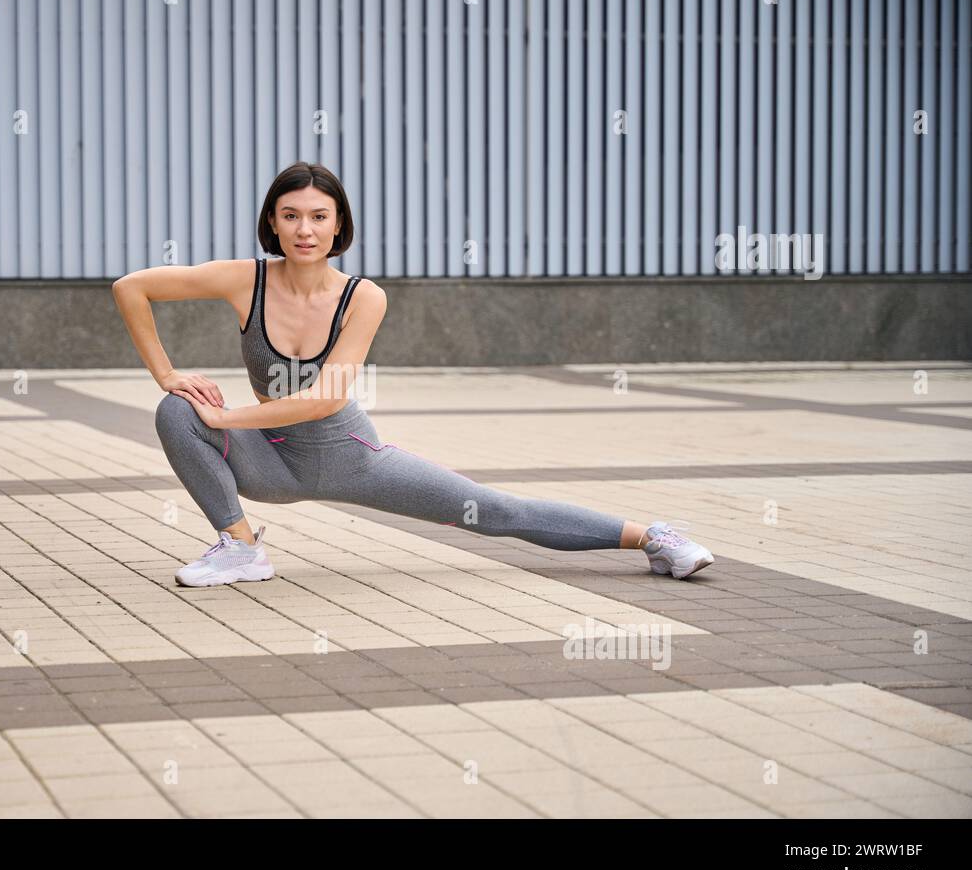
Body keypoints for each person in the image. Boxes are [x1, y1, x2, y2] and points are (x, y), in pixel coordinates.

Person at [112, 161, 714, 587]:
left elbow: (324, 400)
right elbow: (131, 287)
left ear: (338, 226)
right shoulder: (245, 279)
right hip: (269, 461)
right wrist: (168, 375)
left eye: (319, 217)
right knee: (176, 413)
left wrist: (225, 415)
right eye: (290, 216)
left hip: (353, 457)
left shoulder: (363, 297)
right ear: (272, 222)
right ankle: (241, 550)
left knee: (492, 511)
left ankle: (654, 537)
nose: (304, 230)